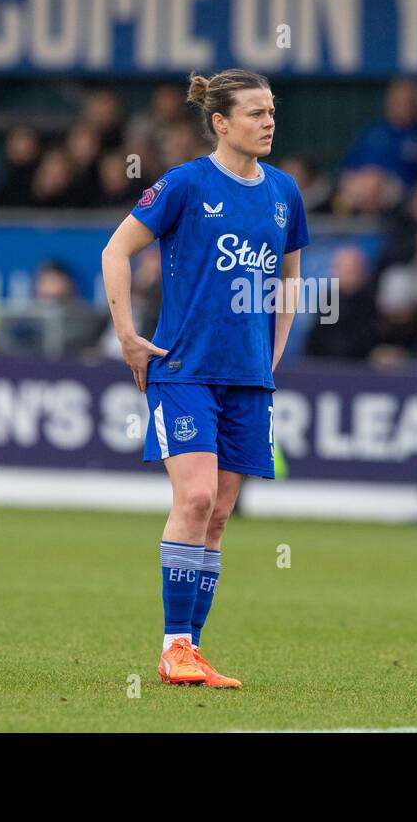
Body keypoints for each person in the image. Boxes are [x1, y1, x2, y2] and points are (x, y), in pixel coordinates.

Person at [101, 69, 309, 689]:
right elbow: (117, 251)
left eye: (271, 111)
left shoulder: (284, 193)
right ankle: (173, 647)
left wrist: (273, 351)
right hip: (184, 369)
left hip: (247, 379)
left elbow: (291, 277)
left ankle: (189, 649)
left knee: (218, 516)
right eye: (254, 113)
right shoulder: (185, 184)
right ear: (221, 123)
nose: (268, 121)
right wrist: (128, 336)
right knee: (193, 499)